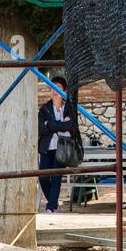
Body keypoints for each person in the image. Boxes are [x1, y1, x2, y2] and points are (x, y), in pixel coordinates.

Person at [37, 76, 78, 213]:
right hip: (46, 147)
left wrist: (51, 124)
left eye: (58, 88)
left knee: (56, 178)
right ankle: (53, 203)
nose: (55, 91)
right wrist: (61, 125)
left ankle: (50, 208)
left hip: (63, 148)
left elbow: (71, 126)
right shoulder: (45, 109)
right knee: (43, 177)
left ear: (64, 90)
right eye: (52, 88)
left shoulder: (69, 108)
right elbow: (41, 129)